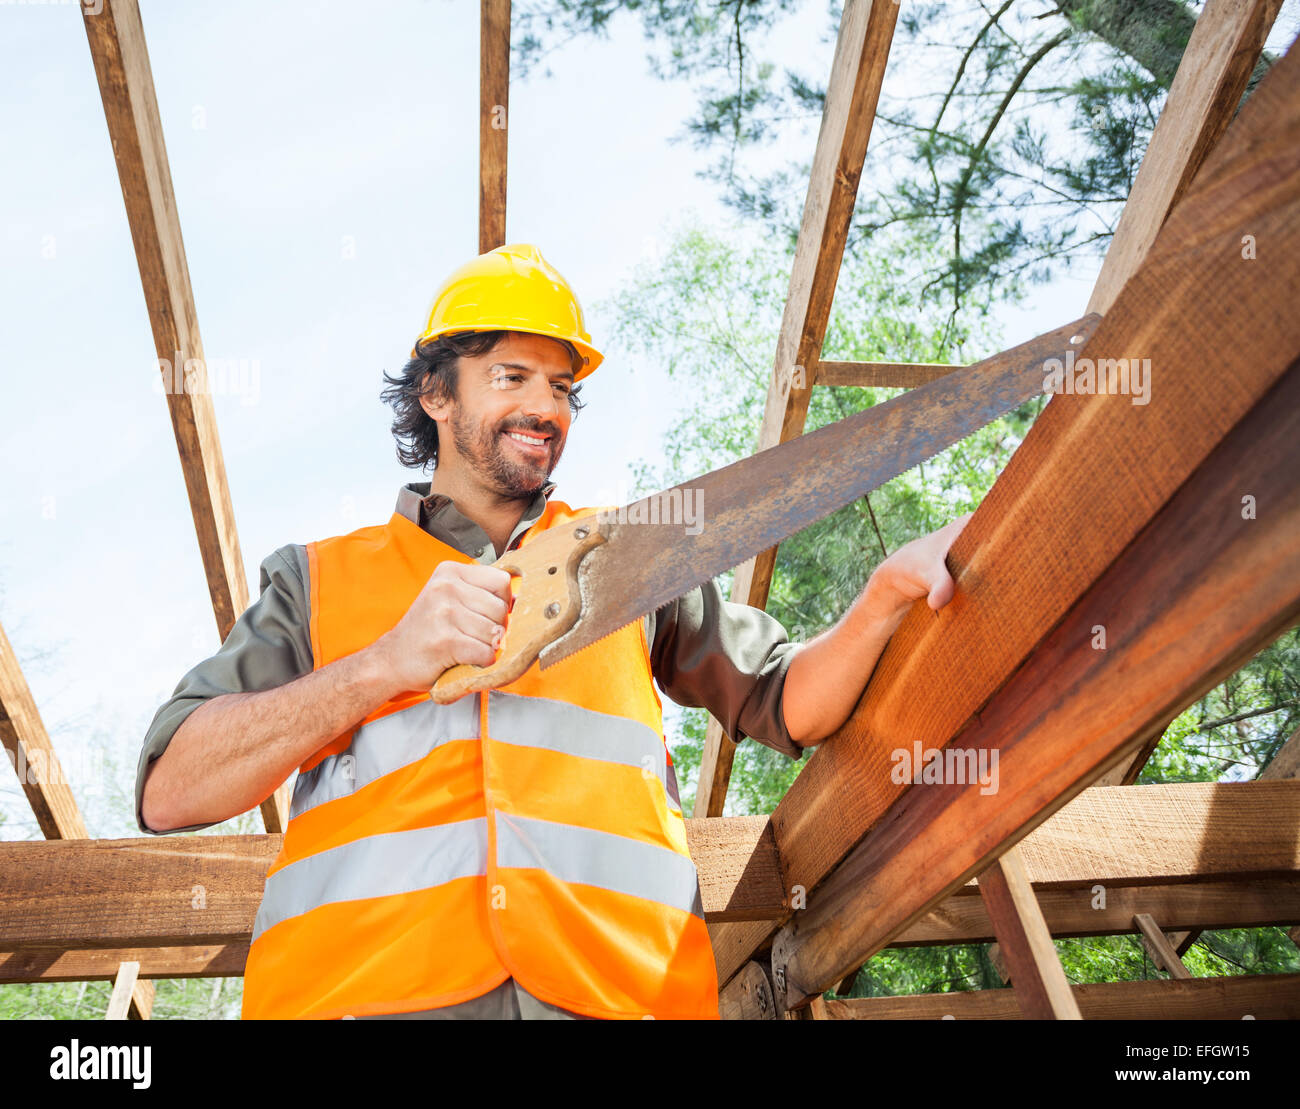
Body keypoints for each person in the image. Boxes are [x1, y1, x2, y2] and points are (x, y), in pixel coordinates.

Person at [136, 243, 969, 1020]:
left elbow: (790, 702)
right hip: (360, 997)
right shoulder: (315, 579)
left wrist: (884, 595)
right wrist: (382, 665)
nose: (546, 406)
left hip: (623, 999)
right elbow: (172, 789)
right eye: (511, 376)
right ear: (435, 394)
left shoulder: (630, 553)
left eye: (563, 387)